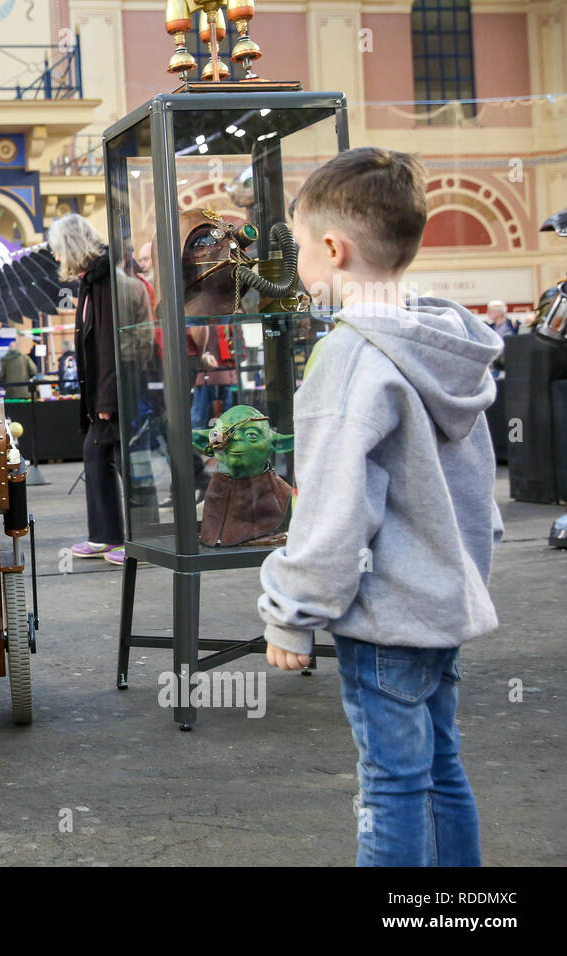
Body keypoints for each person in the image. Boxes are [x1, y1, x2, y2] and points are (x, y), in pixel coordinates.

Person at [257, 147, 502, 867]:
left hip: (388, 614)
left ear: (334, 248)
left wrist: (290, 614)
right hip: (443, 603)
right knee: (439, 769)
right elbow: (474, 489)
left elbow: (334, 511)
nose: (299, 264)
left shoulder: (351, 357)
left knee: (390, 785)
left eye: (300, 248)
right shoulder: (443, 341)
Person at [50, 213, 150, 567]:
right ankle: (108, 535)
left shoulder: (105, 282)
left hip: (117, 391)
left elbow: (110, 344)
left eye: (59, 250)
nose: (57, 257)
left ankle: (138, 538)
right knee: (101, 457)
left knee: (122, 460)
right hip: (110, 391)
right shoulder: (95, 281)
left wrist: (106, 399)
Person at [0, 329, 38, 400]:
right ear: (17, 348)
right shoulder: (25, 358)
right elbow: (33, 371)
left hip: (11, 393)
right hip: (25, 392)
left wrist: (6, 386)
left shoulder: (4, 360)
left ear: (9, 349)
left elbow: (2, 376)